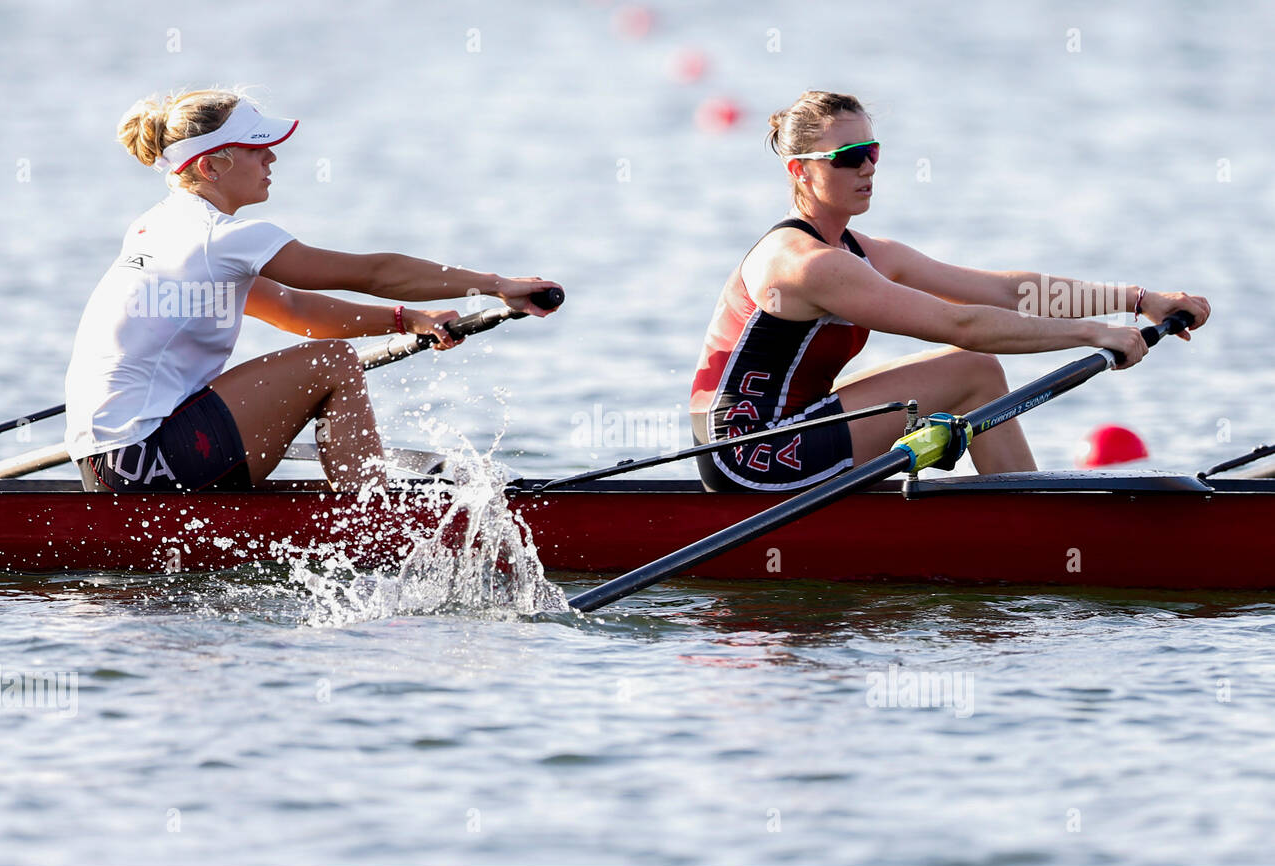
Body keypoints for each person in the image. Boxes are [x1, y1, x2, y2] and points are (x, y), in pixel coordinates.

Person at [690, 90, 1209, 492]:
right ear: (800, 171)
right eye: (848, 157)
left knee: (975, 372)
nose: (868, 166)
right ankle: (1029, 522)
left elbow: (1004, 293)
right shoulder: (808, 264)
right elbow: (960, 325)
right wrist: (1092, 334)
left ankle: (1024, 510)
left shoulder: (864, 251)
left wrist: (1139, 300)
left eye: (872, 151)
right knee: (972, 368)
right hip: (750, 455)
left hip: (791, 426)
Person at [64, 87, 561, 494]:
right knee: (334, 362)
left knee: (326, 356)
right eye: (257, 149)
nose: (272, 157)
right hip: (148, 463)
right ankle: (373, 524)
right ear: (211, 167)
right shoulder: (223, 237)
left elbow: (291, 308)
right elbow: (373, 272)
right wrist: (498, 286)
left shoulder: (159, 227)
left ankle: (358, 504)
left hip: (110, 468)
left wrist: (407, 321)